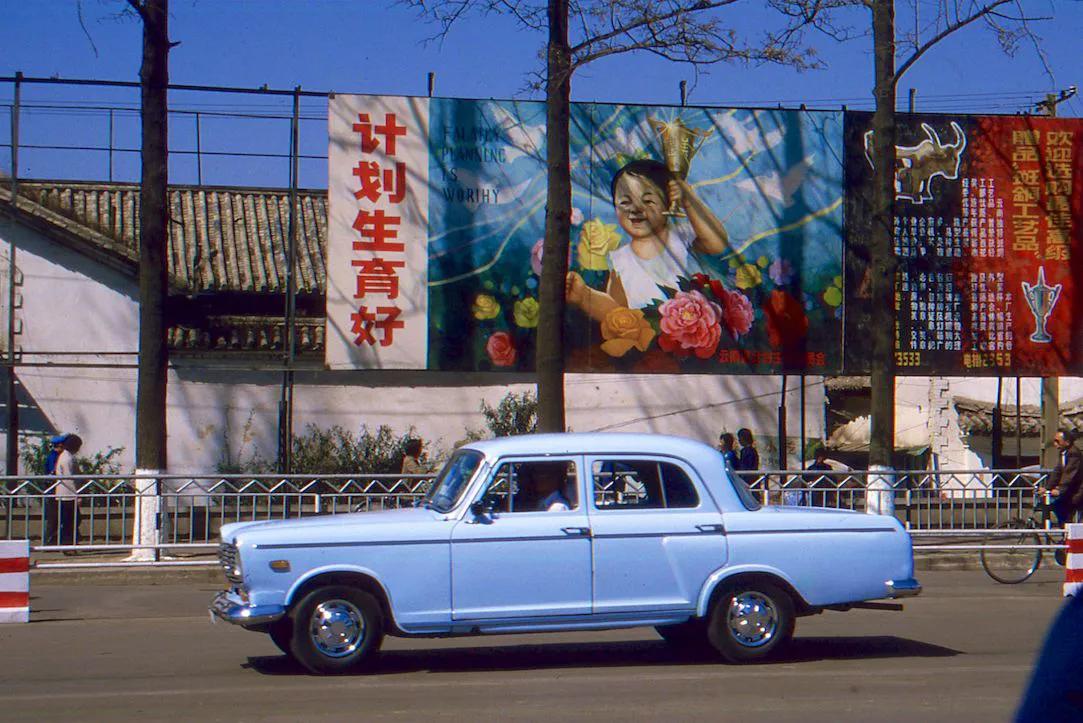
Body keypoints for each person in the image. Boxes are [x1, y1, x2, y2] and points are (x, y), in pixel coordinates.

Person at [566, 158, 732, 319]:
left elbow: (717, 243)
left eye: (648, 201)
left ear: (668, 203)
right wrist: (584, 296)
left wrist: (689, 200)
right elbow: (617, 313)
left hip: (697, 329)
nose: (636, 209)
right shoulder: (620, 260)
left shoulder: (681, 236)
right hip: (651, 336)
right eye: (625, 202)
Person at [1045, 429, 1083, 526]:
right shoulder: (1063, 453)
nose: (1055, 444)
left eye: (1057, 441)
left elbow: (1069, 474)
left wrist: (1060, 490)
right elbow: (1057, 472)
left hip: (1078, 491)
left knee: (1061, 505)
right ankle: (1065, 528)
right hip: (1071, 490)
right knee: (1058, 507)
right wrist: (1047, 488)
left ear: (1067, 442)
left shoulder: (1074, 453)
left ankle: (1067, 529)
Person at [52, 433, 82, 553]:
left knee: (72, 520)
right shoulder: (67, 458)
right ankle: (67, 545)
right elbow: (70, 479)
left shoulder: (66, 456)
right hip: (68, 495)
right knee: (70, 521)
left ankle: (70, 543)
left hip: (65, 494)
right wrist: (77, 495)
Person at [40, 434, 67, 545]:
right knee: (54, 517)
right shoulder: (54, 457)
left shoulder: (55, 456)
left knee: (62, 516)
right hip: (53, 490)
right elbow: (53, 473)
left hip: (56, 490)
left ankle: (57, 539)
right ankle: (48, 541)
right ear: (60, 445)